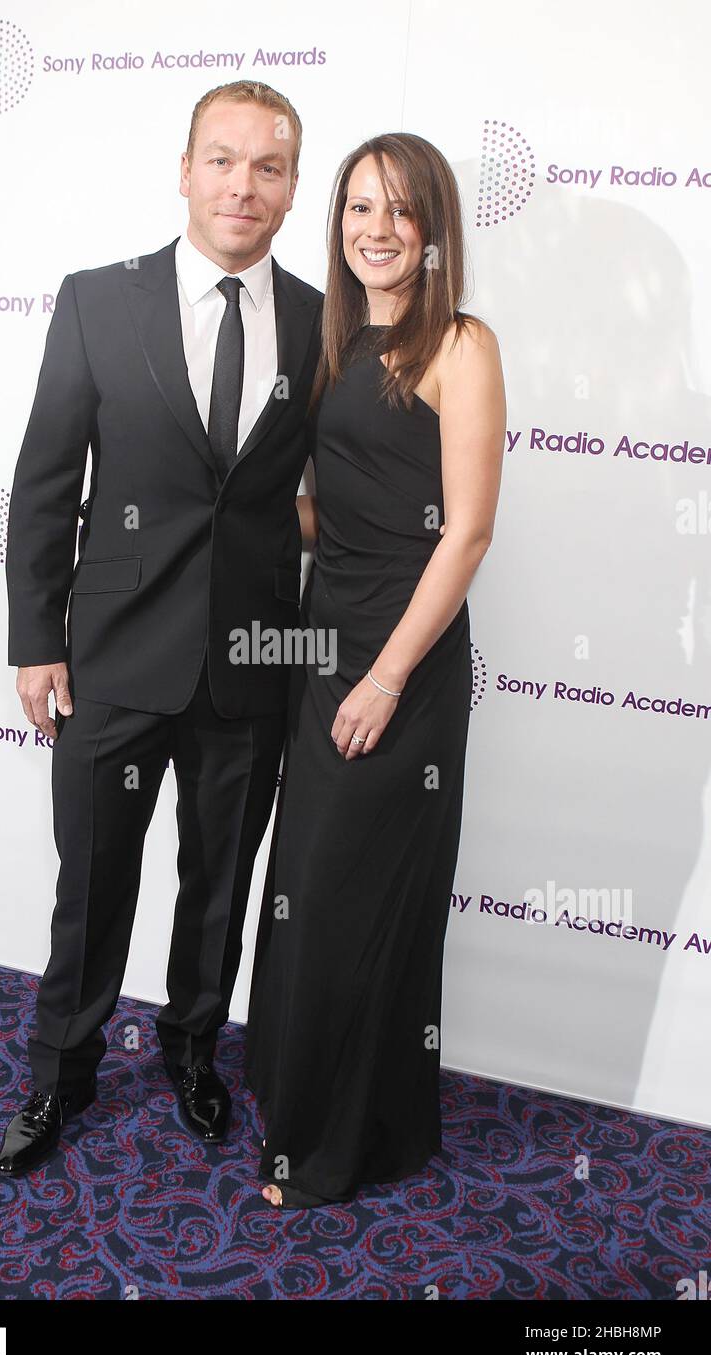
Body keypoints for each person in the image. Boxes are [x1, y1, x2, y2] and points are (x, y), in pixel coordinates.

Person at [0, 80, 323, 1176]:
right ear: (183, 171)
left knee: (221, 883)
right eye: (222, 160)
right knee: (90, 883)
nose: (243, 184)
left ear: (290, 187)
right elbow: (45, 484)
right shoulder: (98, 300)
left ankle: (192, 1049)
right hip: (112, 656)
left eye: (267, 166)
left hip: (252, 661)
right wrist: (36, 639)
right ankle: (59, 1076)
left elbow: (316, 488)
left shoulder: (326, 321)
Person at [244, 133, 506, 1208]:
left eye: (400, 210)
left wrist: (389, 676)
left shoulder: (463, 344)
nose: (377, 230)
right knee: (307, 886)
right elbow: (331, 506)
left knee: (359, 902)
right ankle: (307, 1102)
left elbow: (467, 533)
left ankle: (334, 1149)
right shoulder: (335, 340)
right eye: (359, 207)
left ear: (433, 227)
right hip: (323, 647)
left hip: (406, 663)